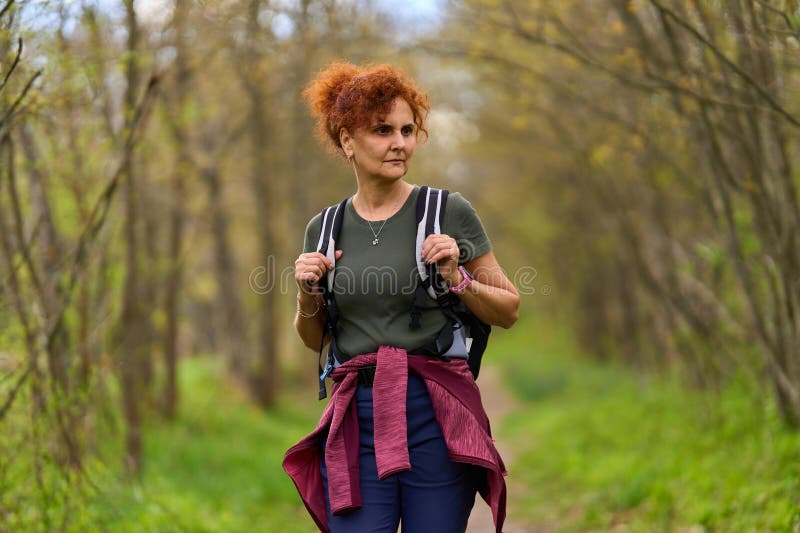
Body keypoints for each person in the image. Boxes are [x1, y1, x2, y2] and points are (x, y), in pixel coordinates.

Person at [283, 61, 520, 533]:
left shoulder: (446, 211)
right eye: (382, 130)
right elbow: (315, 340)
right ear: (347, 140)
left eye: (408, 130)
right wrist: (306, 292)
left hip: (435, 413)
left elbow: (509, 308)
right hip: (357, 417)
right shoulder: (324, 227)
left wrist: (458, 276)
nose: (400, 143)